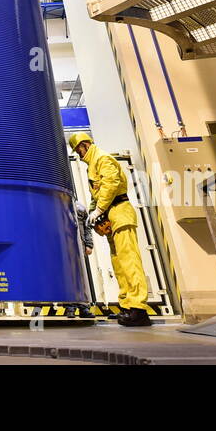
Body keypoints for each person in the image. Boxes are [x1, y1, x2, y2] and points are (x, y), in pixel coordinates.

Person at [68, 133, 151, 326]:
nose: (79, 155)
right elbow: (96, 195)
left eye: (78, 150)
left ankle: (139, 309)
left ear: (84, 145)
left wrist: (99, 209)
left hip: (120, 212)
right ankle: (127, 306)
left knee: (129, 261)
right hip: (111, 215)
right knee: (119, 263)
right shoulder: (93, 165)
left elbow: (111, 184)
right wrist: (92, 212)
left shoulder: (102, 158)